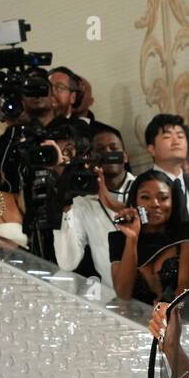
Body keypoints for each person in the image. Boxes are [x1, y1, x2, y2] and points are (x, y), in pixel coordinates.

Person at [53, 123, 135, 294]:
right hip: (112, 298)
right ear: (91, 158)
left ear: (125, 156)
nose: (107, 153)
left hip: (150, 294)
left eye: (113, 148)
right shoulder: (82, 202)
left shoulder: (143, 189)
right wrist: (65, 207)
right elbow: (68, 262)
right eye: (100, 150)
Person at [109, 169, 189, 303]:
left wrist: (165, 313)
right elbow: (123, 293)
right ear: (134, 202)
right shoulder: (119, 239)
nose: (154, 204)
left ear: (173, 201)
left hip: (178, 317)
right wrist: (132, 239)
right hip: (134, 321)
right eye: (145, 197)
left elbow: (186, 286)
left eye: (163, 198)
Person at [145, 113, 189, 219]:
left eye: (180, 136)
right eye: (167, 137)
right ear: (152, 149)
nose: (176, 141)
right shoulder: (142, 185)